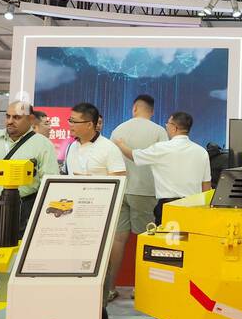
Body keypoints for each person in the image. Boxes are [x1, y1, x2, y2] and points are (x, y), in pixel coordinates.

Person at [0, 101, 60, 251]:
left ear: (30, 119)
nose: (10, 121)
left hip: (22, 211)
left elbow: (49, 182)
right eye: (7, 116)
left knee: (15, 257)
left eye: (17, 117)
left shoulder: (42, 145)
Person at [107, 93, 169, 285]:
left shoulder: (118, 129)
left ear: (134, 108)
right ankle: (142, 287)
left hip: (120, 190)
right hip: (145, 191)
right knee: (146, 239)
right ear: (152, 111)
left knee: (117, 240)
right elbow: (164, 160)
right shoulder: (158, 131)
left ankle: (110, 287)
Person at [113, 110, 211, 225]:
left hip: (170, 207)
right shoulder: (202, 152)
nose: (166, 126)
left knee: (167, 237)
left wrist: (120, 144)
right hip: (194, 207)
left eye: (167, 124)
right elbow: (206, 185)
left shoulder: (161, 149)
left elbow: (134, 156)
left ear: (174, 128)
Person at [65, 102, 127, 179]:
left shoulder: (109, 148)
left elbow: (119, 178)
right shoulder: (71, 147)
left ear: (89, 125)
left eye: (74, 122)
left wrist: (91, 182)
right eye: (70, 121)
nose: (70, 125)